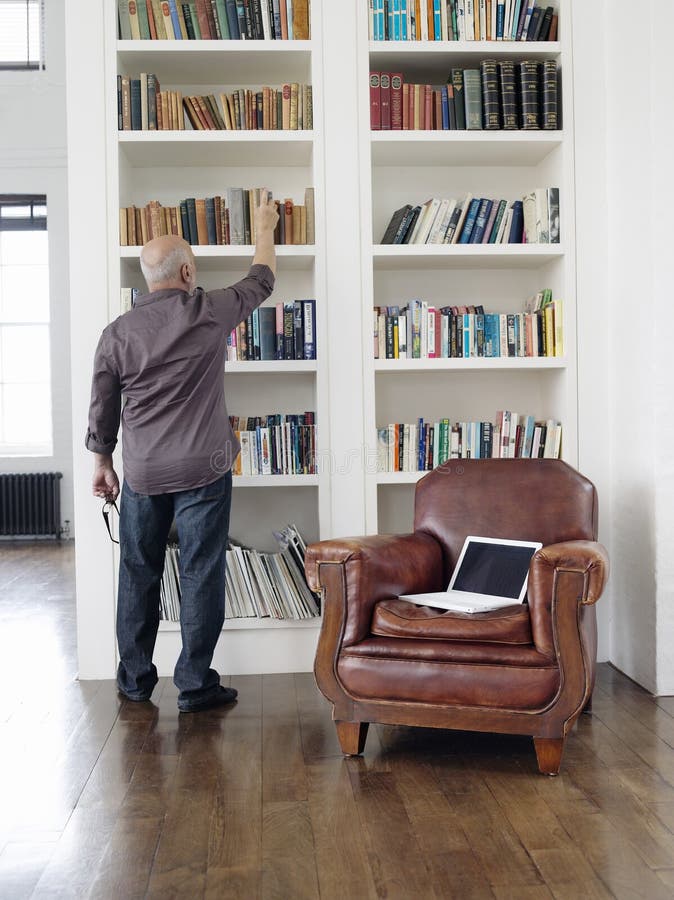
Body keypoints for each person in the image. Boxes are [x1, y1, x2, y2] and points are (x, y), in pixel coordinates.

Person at [85, 190, 279, 712]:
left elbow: (102, 408)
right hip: (204, 469)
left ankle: (134, 682)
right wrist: (264, 226)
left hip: (144, 473)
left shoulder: (116, 334)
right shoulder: (207, 311)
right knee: (200, 572)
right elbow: (261, 279)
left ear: (149, 279)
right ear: (188, 272)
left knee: (138, 572)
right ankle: (195, 685)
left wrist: (102, 464)